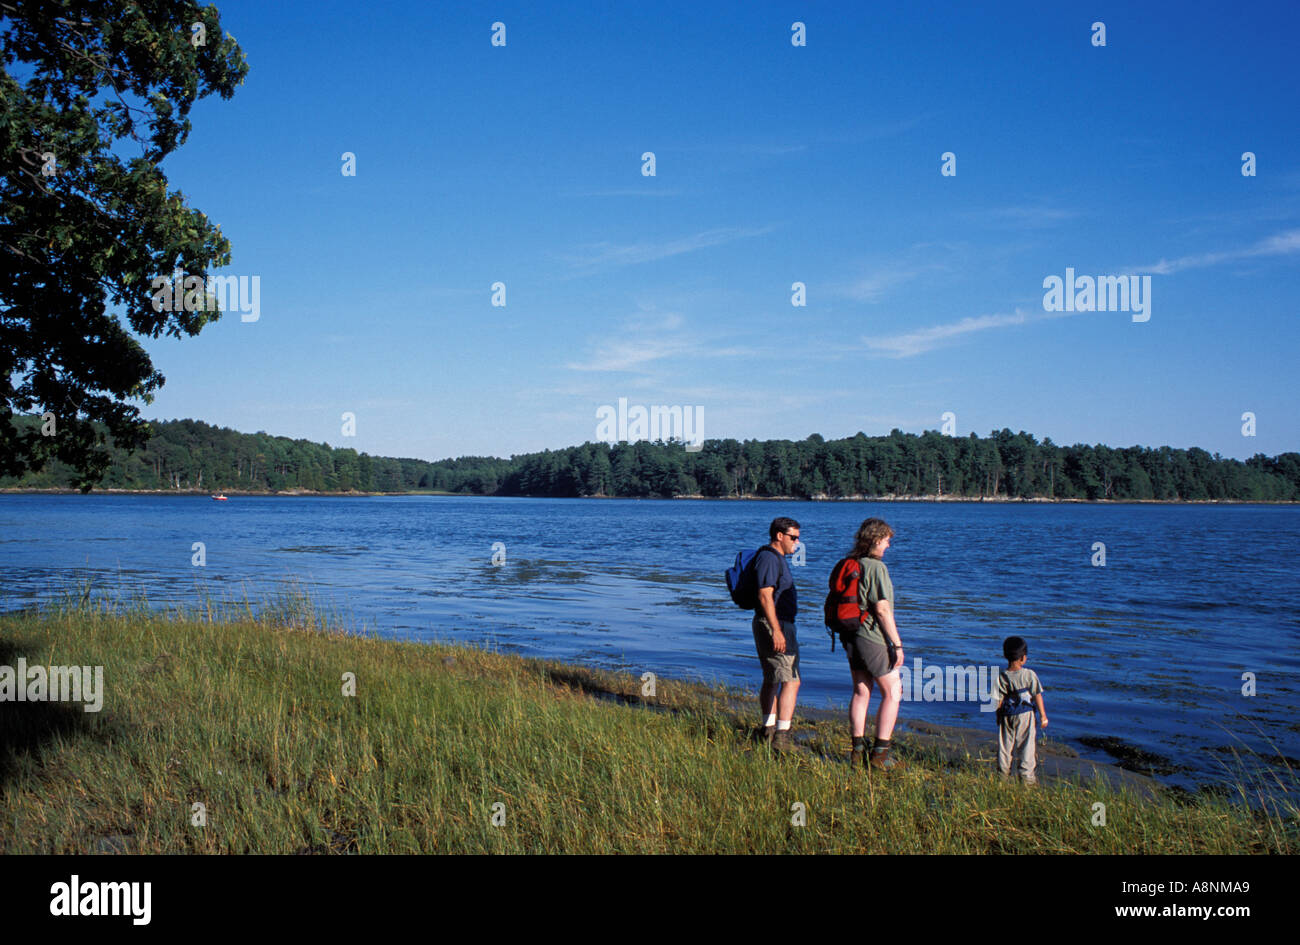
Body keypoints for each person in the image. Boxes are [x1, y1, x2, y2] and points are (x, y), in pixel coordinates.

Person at [842, 518, 904, 771]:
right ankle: (880, 754)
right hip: (871, 636)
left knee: (861, 691)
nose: (888, 546)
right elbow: (882, 608)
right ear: (877, 540)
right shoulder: (877, 568)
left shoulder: (852, 563)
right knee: (893, 691)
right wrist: (897, 644)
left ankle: (857, 752)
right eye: (887, 540)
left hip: (850, 635)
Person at [752, 517, 801, 752]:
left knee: (772, 677)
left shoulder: (772, 558)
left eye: (798, 538)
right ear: (779, 536)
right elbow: (764, 595)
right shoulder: (770, 559)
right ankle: (782, 736)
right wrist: (777, 631)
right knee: (790, 680)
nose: (797, 543)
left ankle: (768, 730)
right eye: (793, 537)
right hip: (775, 624)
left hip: (774, 624)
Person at [995, 636, 1048, 784]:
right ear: (1023, 658)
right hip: (1025, 715)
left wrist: (998, 716)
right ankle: (1027, 779)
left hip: (1006, 715)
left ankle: (1002, 777)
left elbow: (998, 700)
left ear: (1006, 655)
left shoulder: (1001, 676)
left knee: (1005, 747)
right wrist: (1043, 716)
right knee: (1026, 747)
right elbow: (1037, 695)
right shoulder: (1029, 675)